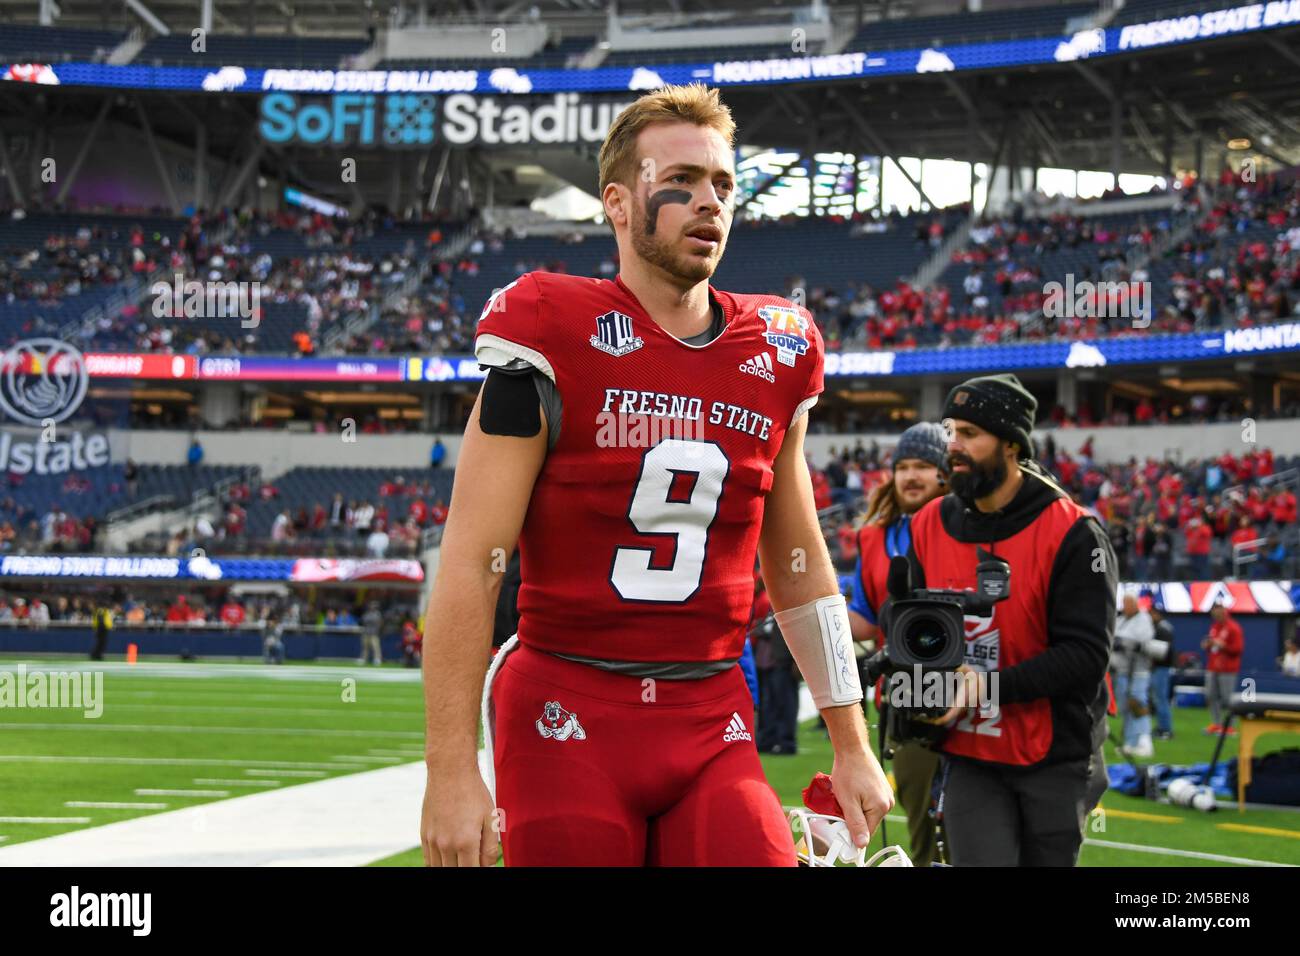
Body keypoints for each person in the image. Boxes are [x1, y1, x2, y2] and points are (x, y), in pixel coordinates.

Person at [420, 83, 891, 868]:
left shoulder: (776, 348)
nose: (708, 202)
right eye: (680, 182)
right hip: (565, 709)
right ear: (617, 201)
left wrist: (851, 740)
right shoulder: (547, 325)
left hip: (711, 712)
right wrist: (449, 769)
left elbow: (800, 566)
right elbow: (473, 560)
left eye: (722, 185)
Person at [904, 374, 1115, 866]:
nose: (953, 446)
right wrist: (920, 681)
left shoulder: (1075, 532)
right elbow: (920, 629)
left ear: (1012, 445)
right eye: (950, 430)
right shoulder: (927, 524)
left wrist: (987, 687)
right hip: (969, 751)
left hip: (1054, 754)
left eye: (971, 434)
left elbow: (1085, 656)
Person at [847, 420, 948, 866]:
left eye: (923, 466)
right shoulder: (872, 536)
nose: (911, 476)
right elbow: (867, 623)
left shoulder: (962, 526)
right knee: (918, 807)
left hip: (967, 680)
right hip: (905, 688)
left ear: (945, 473)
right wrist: (811, 608)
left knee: (965, 816)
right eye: (903, 466)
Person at [1111, 593, 1155, 758]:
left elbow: (1142, 638)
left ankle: (1144, 741)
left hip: (1138, 671)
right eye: (1123, 603)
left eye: (1128, 603)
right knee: (1125, 706)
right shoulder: (1121, 619)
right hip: (1121, 670)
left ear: (1136, 604)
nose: (1125, 606)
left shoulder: (1144, 619)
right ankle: (1130, 743)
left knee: (1137, 702)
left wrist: (1120, 640)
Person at [1202, 602, 1243, 735]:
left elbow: (1238, 649)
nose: (1216, 615)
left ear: (1224, 611)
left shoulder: (1233, 628)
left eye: (1218, 611)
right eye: (1214, 612)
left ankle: (1230, 726)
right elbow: (1213, 647)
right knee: (1210, 695)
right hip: (1213, 666)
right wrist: (1207, 645)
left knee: (1227, 698)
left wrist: (1223, 645)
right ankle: (1217, 723)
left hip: (1228, 669)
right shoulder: (1214, 627)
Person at [1148, 602, 1177, 740]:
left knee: (1161, 699)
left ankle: (1166, 729)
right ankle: (1161, 727)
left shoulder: (1163, 628)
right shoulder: (1161, 627)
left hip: (1162, 668)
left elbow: (1163, 651)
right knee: (1158, 698)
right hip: (1159, 668)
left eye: (1152, 613)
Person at [360, 601, 384, 666]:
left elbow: (377, 622)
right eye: (371, 606)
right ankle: (364, 659)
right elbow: (363, 620)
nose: (372, 607)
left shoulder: (377, 614)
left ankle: (377, 659)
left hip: (374, 633)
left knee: (376, 647)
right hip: (366, 632)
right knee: (365, 647)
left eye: (373, 606)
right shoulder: (367, 613)